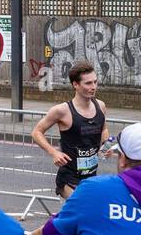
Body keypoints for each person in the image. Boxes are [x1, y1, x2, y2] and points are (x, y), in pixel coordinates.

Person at [32, 60, 109, 203]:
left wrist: (105, 146)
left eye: (95, 82)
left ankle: (51, 226)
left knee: (73, 221)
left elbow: (104, 129)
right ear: (75, 84)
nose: (93, 87)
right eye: (88, 83)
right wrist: (54, 152)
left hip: (90, 176)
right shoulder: (62, 111)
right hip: (69, 179)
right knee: (82, 211)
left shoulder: (101, 106)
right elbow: (37, 132)